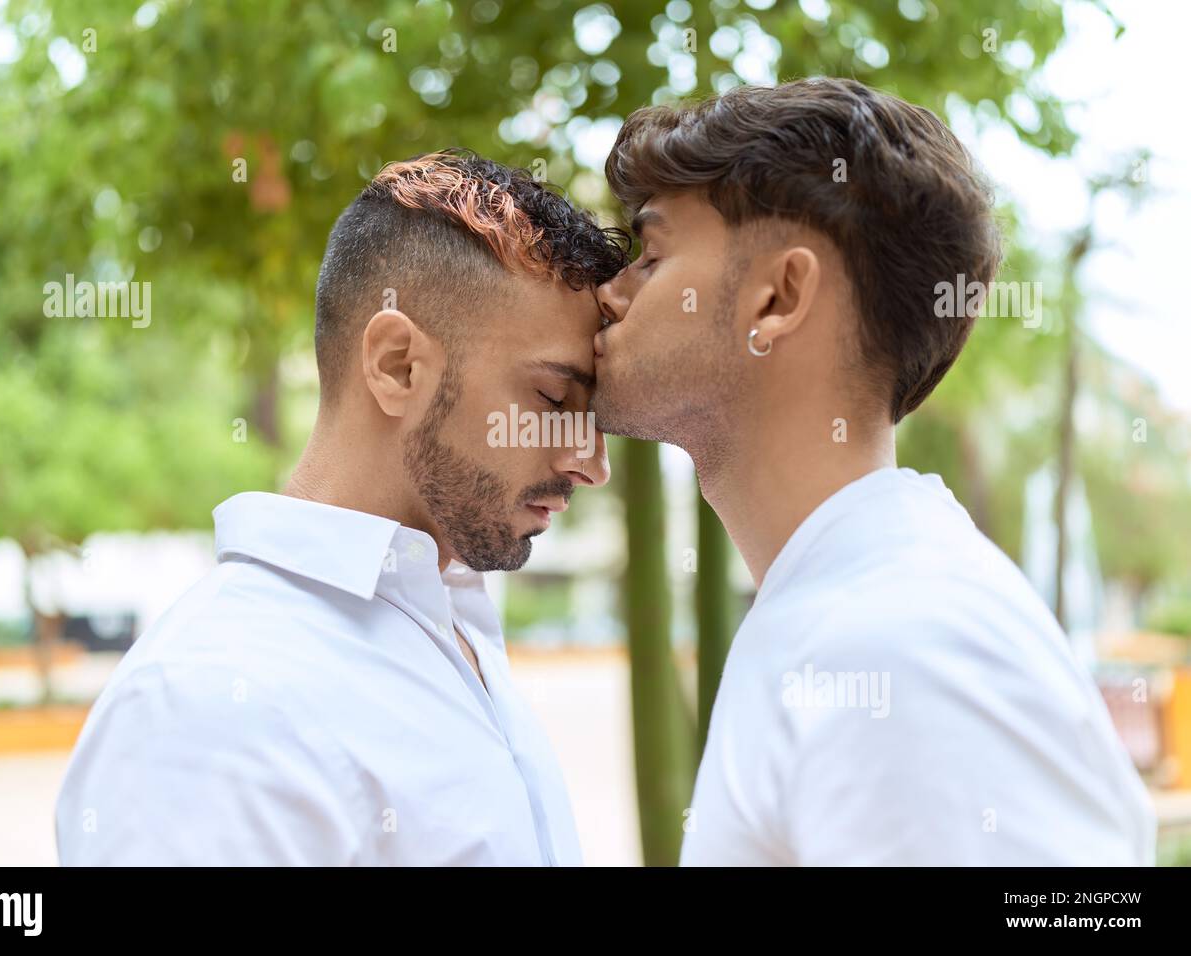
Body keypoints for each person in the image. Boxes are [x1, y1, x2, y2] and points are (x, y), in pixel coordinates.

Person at [590, 78, 1155, 865]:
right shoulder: (842, 611)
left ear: (778, 297)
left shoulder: (903, 644)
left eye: (650, 256)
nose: (610, 293)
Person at [56, 151, 628, 865]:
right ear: (397, 366)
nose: (592, 463)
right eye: (551, 400)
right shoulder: (208, 704)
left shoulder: (454, 631)